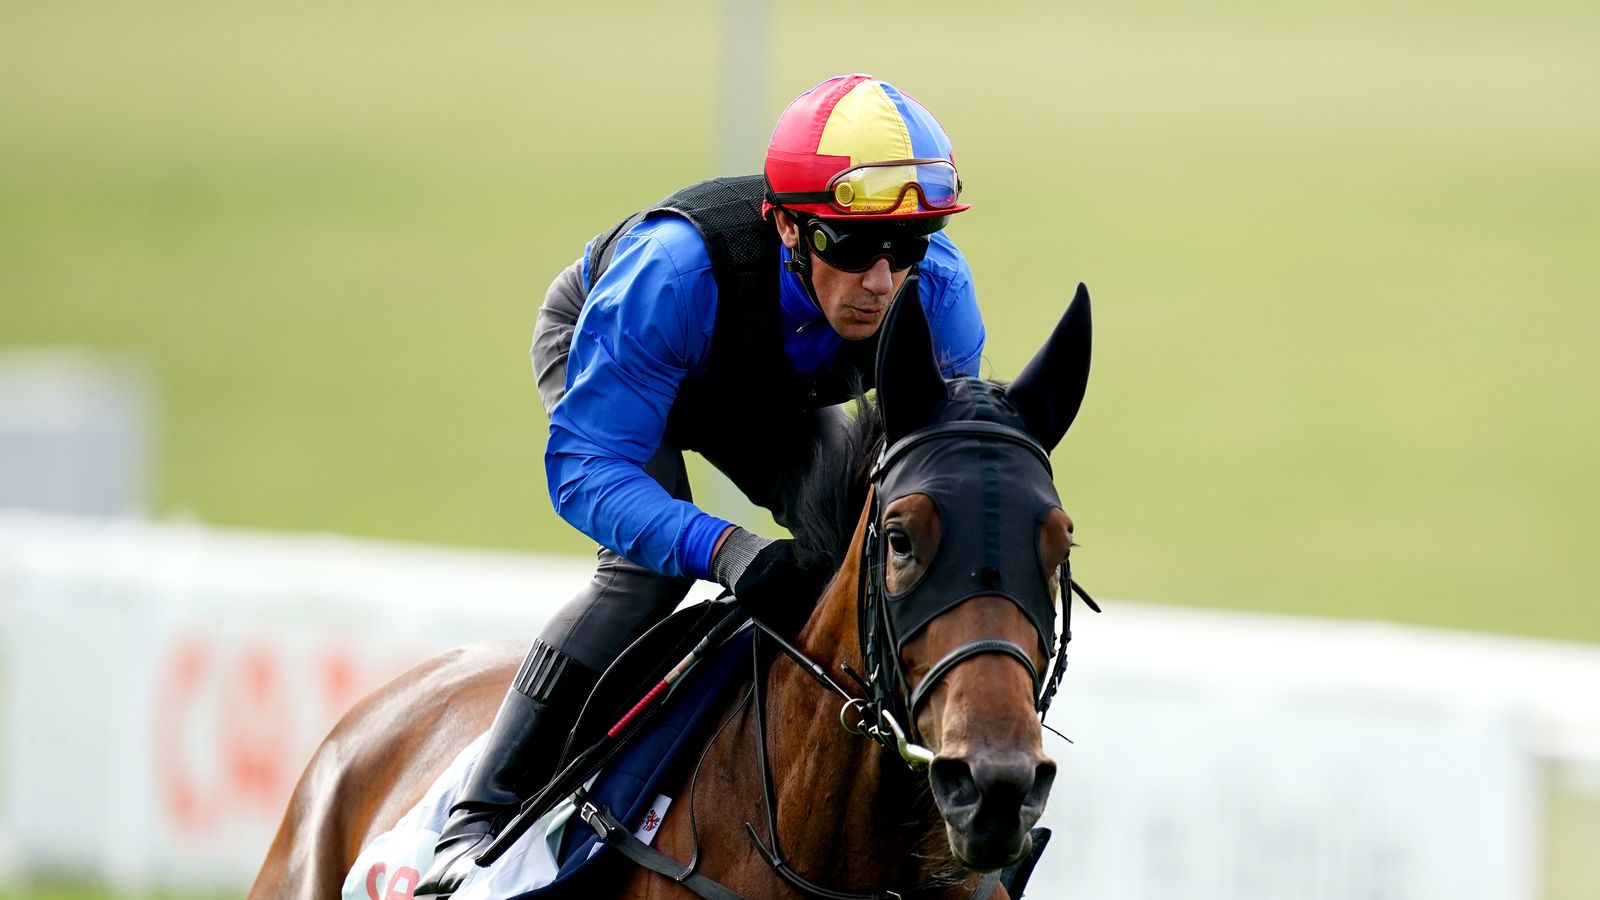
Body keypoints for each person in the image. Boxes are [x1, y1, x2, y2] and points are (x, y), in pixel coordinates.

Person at [416, 73, 987, 896]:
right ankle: (481, 813)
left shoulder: (936, 289)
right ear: (788, 225)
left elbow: (945, 479)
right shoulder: (672, 270)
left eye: (909, 245)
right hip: (620, 340)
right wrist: (724, 547)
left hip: (768, 388)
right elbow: (586, 471)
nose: (881, 280)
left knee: (864, 553)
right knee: (649, 570)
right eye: (852, 247)